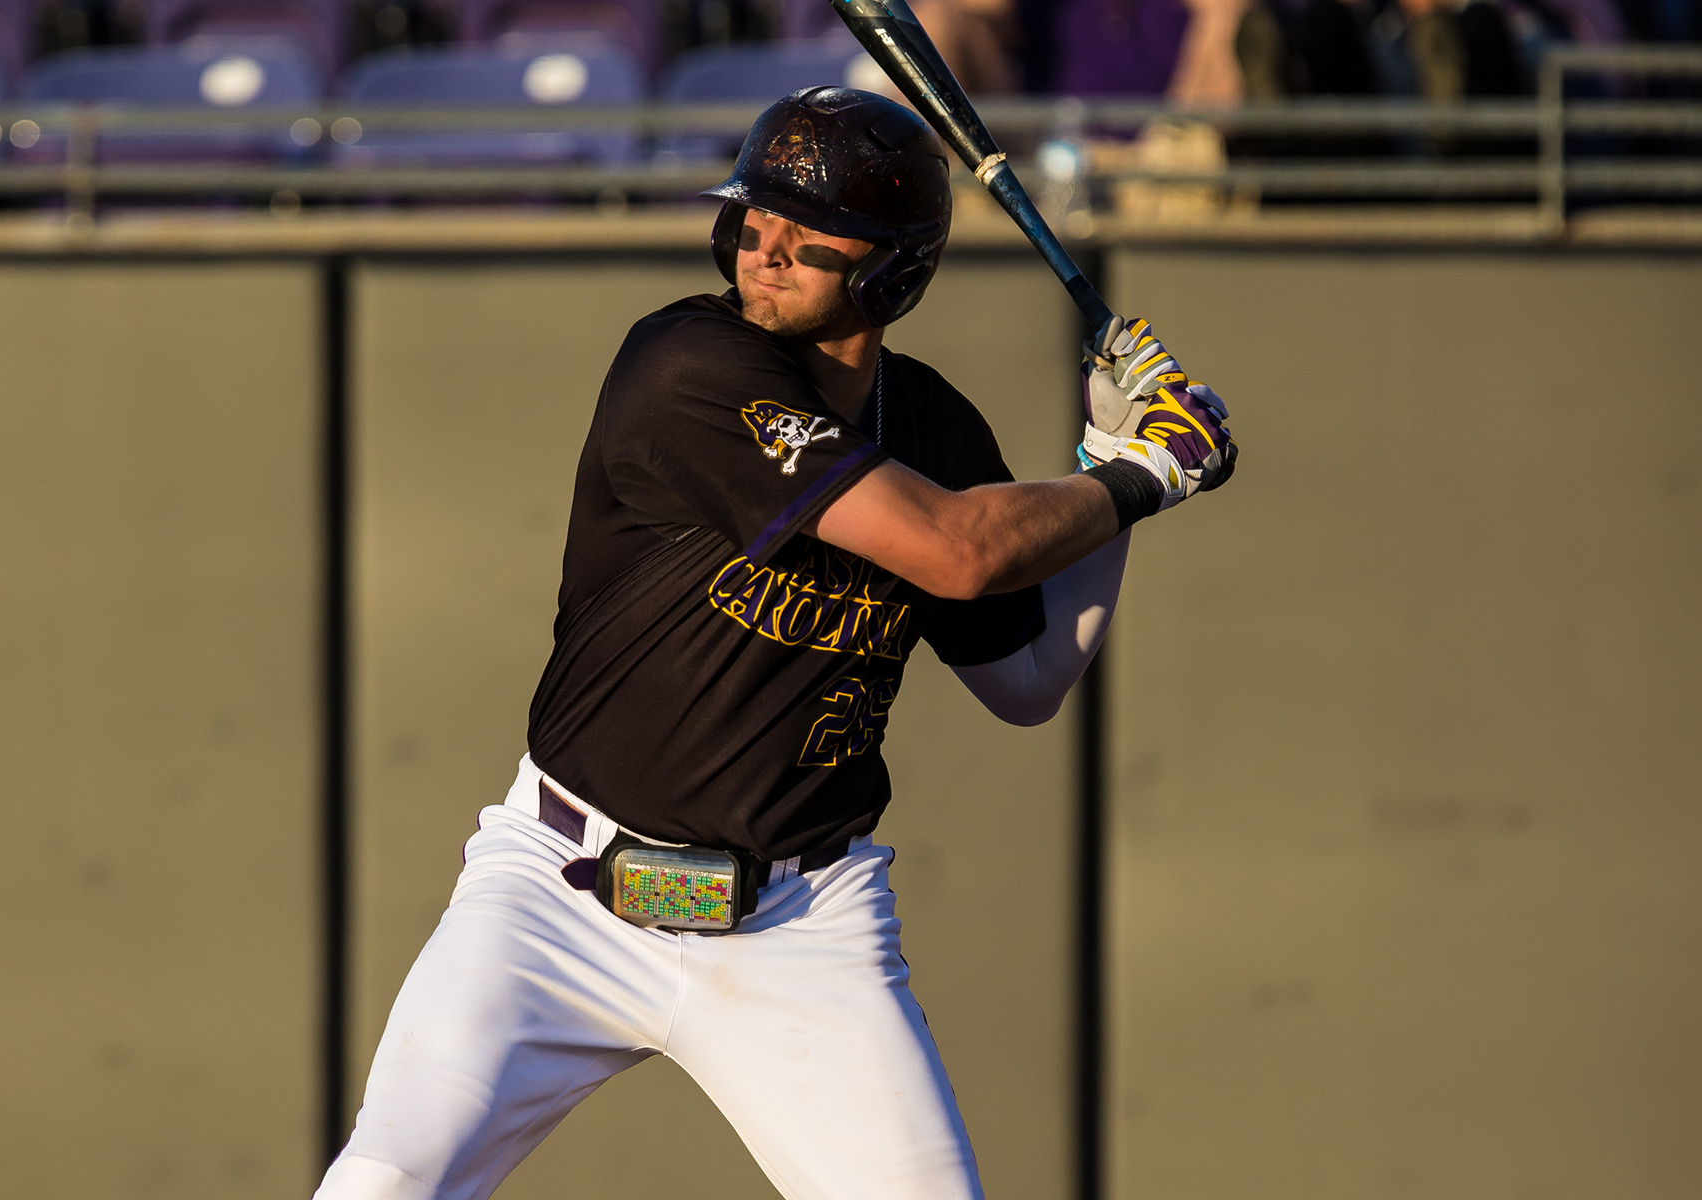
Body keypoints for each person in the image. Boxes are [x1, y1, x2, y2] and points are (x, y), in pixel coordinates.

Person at [313, 85, 1235, 1200]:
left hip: (803, 923)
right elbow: (955, 554)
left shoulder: (936, 430)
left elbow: (1031, 680)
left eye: (808, 236)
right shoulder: (687, 365)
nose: (765, 249)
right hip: (559, 895)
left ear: (892, 270)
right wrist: (1148, 475)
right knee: (383, 1183)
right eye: (753, 221)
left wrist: (1109, 462)